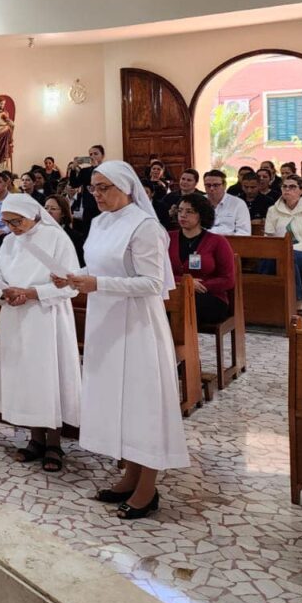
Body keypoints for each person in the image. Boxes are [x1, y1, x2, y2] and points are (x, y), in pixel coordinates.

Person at [54, 160, 189, 520]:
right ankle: (129, 475)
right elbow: (100, 268)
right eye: (93, 188)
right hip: (107, 322)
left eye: (104, 187)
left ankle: (148, 487)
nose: (96, 194)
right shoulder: (99, 222)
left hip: (138, 326)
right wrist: (74, 277)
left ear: (126, 187)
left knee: (141, 403)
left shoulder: (145, 227)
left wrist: (96, 284)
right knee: (118, 402)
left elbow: (151, 283)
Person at [0, 193, 81, 472]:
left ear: (33, 214)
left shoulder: (56, 239)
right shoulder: (9, 241)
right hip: (15, 317)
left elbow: (72, 284)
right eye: (8, 222)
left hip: (45, 317)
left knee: (46, 378)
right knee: (24, 378)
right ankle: (35, 439)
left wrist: (33, 293)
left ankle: (54, 443)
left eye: (16, 221)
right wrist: (3, 293)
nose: (13, 227)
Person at [168, 194, 237, 326]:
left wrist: (201, 286)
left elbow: (228, 279)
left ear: (201, 214)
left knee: (184, 307)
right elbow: (159, 272)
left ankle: (183, 346)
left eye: (189, 211)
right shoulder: (168, 238)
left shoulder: (217, 241)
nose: (182, 215)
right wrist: (185, 283)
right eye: (180, 210)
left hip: (210, 297)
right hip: (175, 293)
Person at [262, 174, 302, 305]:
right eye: (284, 187)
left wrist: (291, 248)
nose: (287, 190)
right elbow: (269, 236)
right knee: (268, 258)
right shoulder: (272, 210)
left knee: (289, 257)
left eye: (292, 187)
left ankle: (294, 300)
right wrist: (280, 249)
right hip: (278, 251)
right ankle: (267, 298)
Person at [203, 170, 251, 236]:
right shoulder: (198, 202)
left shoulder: (238, 204)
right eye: (208, 185)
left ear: (224, 185)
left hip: (230, 242)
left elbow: (244, 232)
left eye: (216, 185)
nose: (211, 188)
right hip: (203, 242)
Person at [44, 194, 84, 266]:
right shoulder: (39, 233)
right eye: (46, 208)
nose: (48, 211)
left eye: (53, 209)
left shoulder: (75, 237)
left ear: (62, 213)